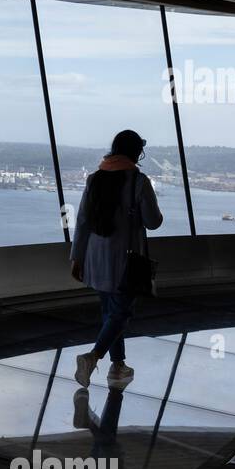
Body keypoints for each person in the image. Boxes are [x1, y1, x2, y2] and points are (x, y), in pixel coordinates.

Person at [69, 129, 163, 389]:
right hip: (126, 258)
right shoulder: (138, 181)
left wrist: (76, 258)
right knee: (121, 312)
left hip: (95, 256)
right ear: (136, 152)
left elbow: (83, 222)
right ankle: (93, 357)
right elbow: (153, 222)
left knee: (110, 312)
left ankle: (118, 365)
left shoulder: (94, 178)